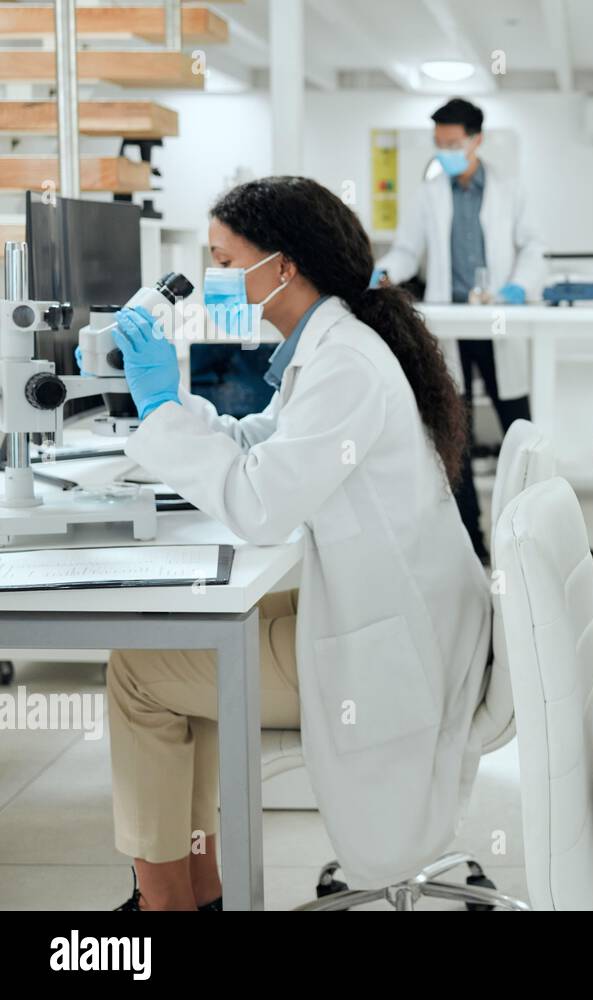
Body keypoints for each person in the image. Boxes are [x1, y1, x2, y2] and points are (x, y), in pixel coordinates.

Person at [103, 176, 491, 910]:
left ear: (282, 267)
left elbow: (257, 505)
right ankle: (194, 889)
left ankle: (166, 905)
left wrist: (157, 410)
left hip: (395, 646)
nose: (210, 277)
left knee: (137, 671)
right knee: (204, 639)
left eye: (222, 258)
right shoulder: (335, 343)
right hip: (397, 609)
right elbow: (264, 442)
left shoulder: (343, 363)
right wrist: (171, 411)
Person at [373, 97, 545, 560]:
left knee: (519, 425)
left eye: (453, 142)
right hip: (450, 325)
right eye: (439, 143)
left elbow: (532, 249)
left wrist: (514, 290)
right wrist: (384, 270)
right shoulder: (428, 194)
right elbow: (408, 250)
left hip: (496, 319)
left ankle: (538, 535)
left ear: (476, 140)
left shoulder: (510, 190)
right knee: (456, 429)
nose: (445, 150)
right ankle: (474, 539)